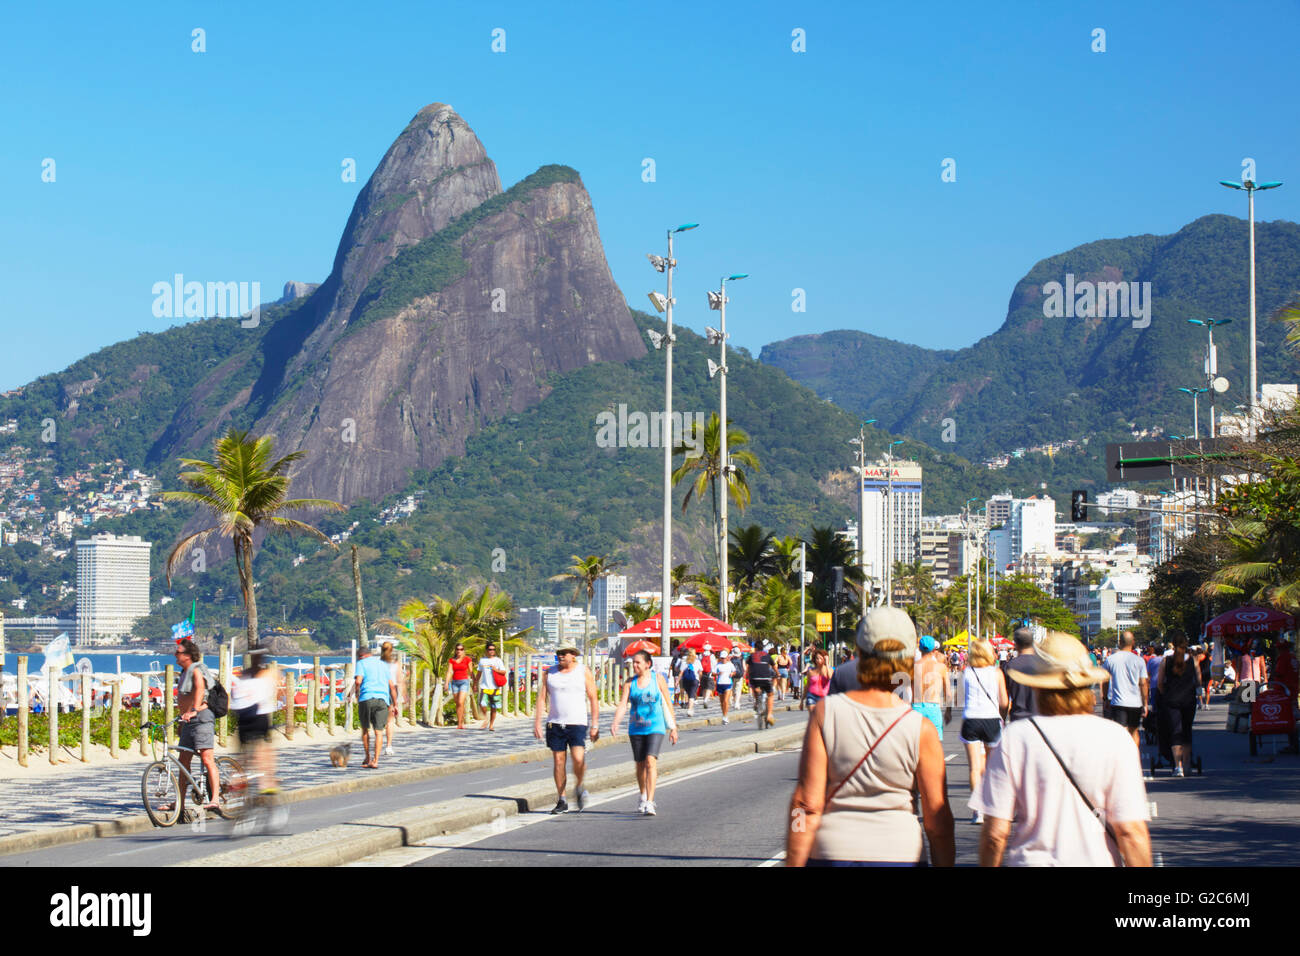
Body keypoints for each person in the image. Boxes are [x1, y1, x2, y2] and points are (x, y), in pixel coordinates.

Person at [786, 606, 955, 866]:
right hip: (900, 852)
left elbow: (804, 803)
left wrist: (795, 858)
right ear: (909, 659)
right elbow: (938, 817)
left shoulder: (825, 713)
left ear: (860, 653)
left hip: (834, 851)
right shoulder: (920, 729)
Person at [973, 631, 1152, 867]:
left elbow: (995, 834)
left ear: (1038, 685)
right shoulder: (1116, 738)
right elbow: (1131, 831)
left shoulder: (1016, 738)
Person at [610, 650, 679, 815]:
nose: (634, 665)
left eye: (638, 662)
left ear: (648, 664)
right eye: (633, 662)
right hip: (636, 728)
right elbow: (622, 704)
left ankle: (650, 801)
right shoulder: (629, 683)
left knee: (650, 761)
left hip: (656, 726)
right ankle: (643, 794)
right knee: (640, 765)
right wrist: (615, 722)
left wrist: (673, 728)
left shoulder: (658, 679)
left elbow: (668, 704)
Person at [534, 645, 600, 814]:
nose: (561, 656)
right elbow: (542, 699)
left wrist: (595, 724)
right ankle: (562, 799)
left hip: (577, 722)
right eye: (559, 653)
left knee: (578, 759)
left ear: (573, 655)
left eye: (564, 653)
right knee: (559, 761)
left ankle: (579, 786)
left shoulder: (583, 671)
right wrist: (537, 723)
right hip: (555, 723)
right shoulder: (549, 673)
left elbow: (593, 698)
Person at [961, 639, 1008, 824]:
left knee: (974, 768)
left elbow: (963, 697)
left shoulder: (967, 672)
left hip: (971, 719)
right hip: (991, 719)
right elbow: (1004, 701)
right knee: (990, 767)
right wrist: (1002, 716)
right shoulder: (996, 673)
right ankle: (991, 807)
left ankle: (977, 812)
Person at [173, 639, 220, 813]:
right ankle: (180, 803)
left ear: (187, 655)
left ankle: (215, 799)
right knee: (183, 762)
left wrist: (194, 710)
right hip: (187, 721)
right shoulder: (183, 672)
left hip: (201, 718)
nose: (175, 655)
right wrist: (181, 718)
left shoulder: (196, 669)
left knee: (207, 758)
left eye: (178, 652)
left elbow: (200, 688)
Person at [1157, 632, 1199, 778]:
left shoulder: (1166, 660)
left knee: (1175, 731)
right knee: (1187, 731)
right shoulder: (1193, 660)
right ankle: (1187, 765)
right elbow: (1198, 679)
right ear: (1186, 643)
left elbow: (1160, 682)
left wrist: (1165, 694)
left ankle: (1177, 766)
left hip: (1171, 700)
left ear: (1173, 645)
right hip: (1188, 700)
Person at [353, 644, 398, 769]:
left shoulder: (361, 663)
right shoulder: (382, 664)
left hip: (366, 698)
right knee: (379, 732)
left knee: (365, 729)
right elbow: (392, 686)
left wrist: (357, 692)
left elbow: (358, 681)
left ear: (361, 656)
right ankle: (376, 761)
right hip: (383, 700)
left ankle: (367, 757)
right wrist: (395, 704)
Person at [1102, 630, 1149, 750]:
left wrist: (1105, 698)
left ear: (1119, 642)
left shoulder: (1111, 660)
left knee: (1121, 733)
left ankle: (1124, 759)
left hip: (1118, 702)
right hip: (1135, 702)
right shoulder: (1139, 660)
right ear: (1133, 643)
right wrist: (1145, 704)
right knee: (1134, 732)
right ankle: (1134, 758)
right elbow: (1143, 683)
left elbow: (1105, 680)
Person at [912, 636, 950, 741]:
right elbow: (948, 693)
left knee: (917, 744)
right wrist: (948, 711)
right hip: (933, 707)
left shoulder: (913, 667)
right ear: (934, 650)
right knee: (935, 744)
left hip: (916, 708)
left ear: (919, 649)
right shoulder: (941, 667)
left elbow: (907, 691)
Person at [1001, 628, 1037, 721]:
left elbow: (1004, 701)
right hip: (1041, 719)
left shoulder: (1009, 666)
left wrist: (1002, 720)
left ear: (1015, 644)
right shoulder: (1044, 665)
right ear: (1032, 642)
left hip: (1018, 718)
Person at [477, 641, 506, 731]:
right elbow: (479, 673)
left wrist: (496, 670)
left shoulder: (498, 660)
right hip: (485, 686)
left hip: (495, 688)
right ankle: (486, 718)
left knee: (494, 707)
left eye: (493, 650)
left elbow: (504, 672)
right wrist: (475, 683)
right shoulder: (482, 660)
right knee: (482, 703)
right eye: (490, 649)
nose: (492, 651)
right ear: (486, 650)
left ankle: (491, 725)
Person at [745, 641, 777, 726]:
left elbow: (748, 668)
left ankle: (756, 702)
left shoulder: (751, 656)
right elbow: (774, 666)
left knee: (755, 688)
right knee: (770, 695)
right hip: (765, 678)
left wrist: (747, 676)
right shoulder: (767, 656)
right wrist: (778, 673)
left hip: (754, 679)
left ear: (755, 648)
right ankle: (769, 715)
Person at [445, 643, 473, 730]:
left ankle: (461, 722)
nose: (459, 651)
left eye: (461, 649)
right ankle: (459, 723)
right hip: (454, 683)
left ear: (463, 650)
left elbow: (471, 671)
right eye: (458, 649)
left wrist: (475, 682)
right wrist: (446, 683)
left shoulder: (467, 659)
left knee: (461, 702)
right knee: (457, 703)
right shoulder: (452, 660)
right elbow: (449, 672)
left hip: (464, 682)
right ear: (455, 650)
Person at [380, 642, 400, 756]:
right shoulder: (394, 663)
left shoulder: (378, 663)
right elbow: (399, 680)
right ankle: (388, 746)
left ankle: (385, 745)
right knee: (389, 721)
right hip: (389, 690)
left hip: (381, 689)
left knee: (381, 720)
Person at [713, 648, 738, 724]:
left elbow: (734, 671)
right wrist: (717, 674)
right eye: (722, 658)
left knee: (726, 701)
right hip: (720, 684)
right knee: (721, 702)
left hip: (728, 684)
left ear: (727, 657)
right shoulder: (718, 665)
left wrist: (732, 674)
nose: (723, 659)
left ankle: (725, 717)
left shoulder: (730, 664)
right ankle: (724, 714)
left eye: (724, 658)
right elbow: (712, 673)